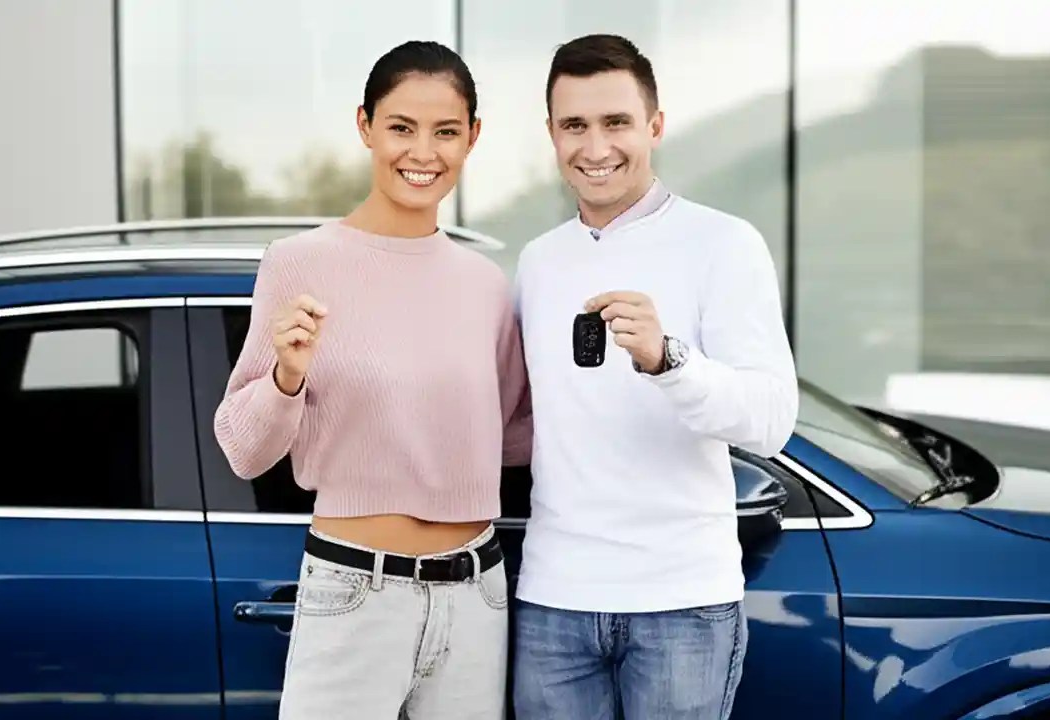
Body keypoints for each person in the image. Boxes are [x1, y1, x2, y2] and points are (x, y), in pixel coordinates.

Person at [213, 40, 531, 719]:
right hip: (355, 589)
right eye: (401, 128)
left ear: (473, 137)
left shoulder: (485, 284)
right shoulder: (299, 263)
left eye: (446, 131)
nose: (424, 152)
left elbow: (513, 433)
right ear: (365, 126)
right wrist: (286, 377)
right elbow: (243, 447)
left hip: (477, 596)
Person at [510, 33, 798, 719]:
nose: (596, 146)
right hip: (555, 599)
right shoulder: (537, 262)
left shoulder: (724, 244)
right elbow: (527, 419)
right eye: (574, 125)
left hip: (682, 602)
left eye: (616, 123)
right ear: (551, 134)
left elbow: (770, 418)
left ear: (656, 126)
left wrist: (668, 360)